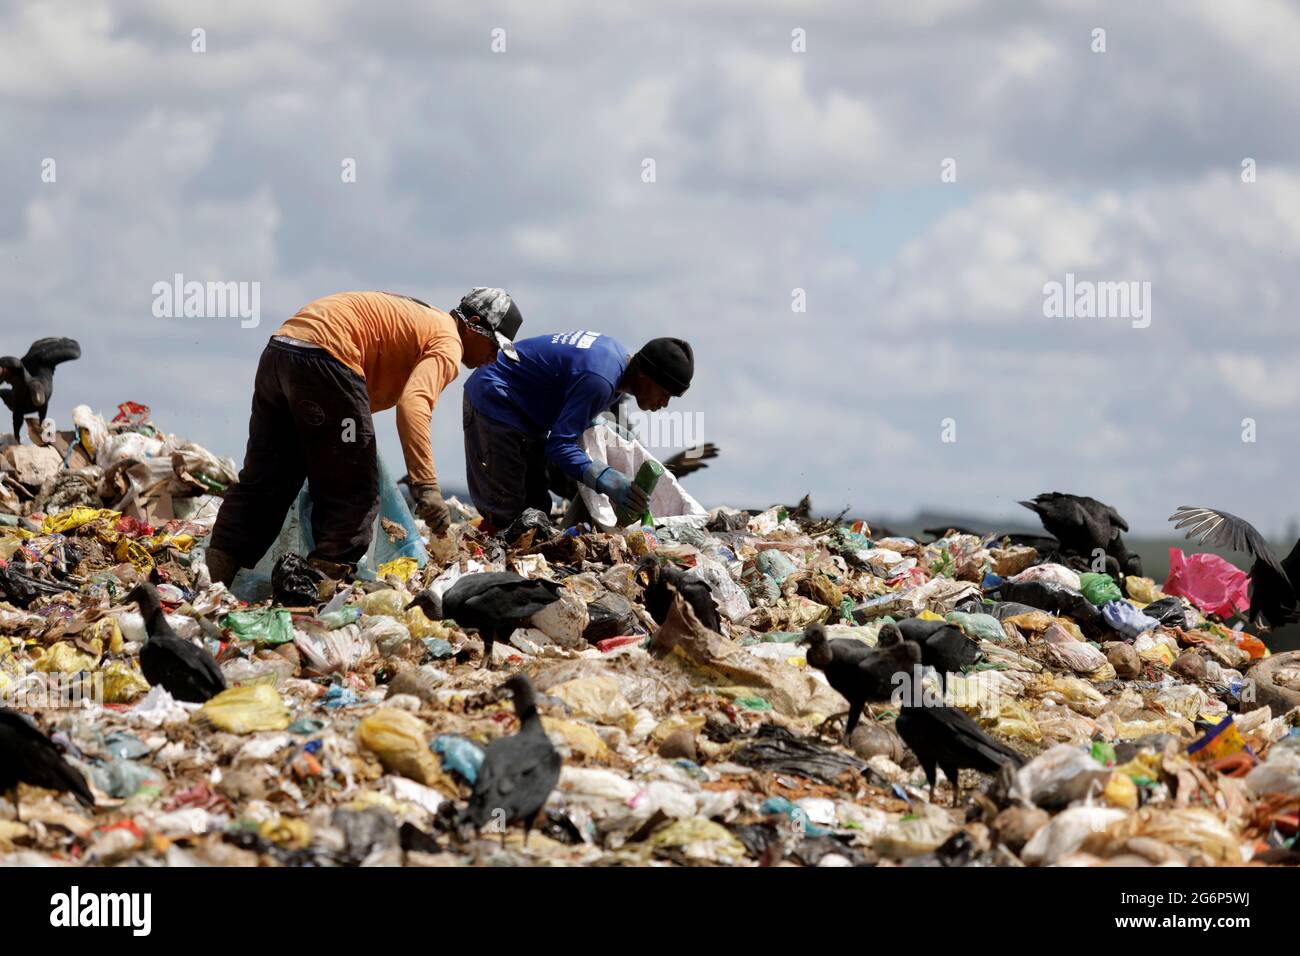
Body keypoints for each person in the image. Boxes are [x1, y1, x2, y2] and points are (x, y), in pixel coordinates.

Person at [205, 288, 523, 585]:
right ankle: (313, 591)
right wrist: (426, 487)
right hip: (327, 357)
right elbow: (413, 406)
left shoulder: (426, 322)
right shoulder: (449, 341)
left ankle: (210, 580)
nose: (493, 358)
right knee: (353, 493)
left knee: (266, 481)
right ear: (474, 324)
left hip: (282, 350)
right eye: (495, 346)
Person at [462, 331, 694, 532]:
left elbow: (568, 393)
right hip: (495, 401)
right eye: (664, 393)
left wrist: (597, 423)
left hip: (525, 414)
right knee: (509, 514)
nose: (664, 403)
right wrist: (606, 478)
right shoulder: (600, 380)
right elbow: (559, 446)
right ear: (646, 376)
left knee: (535, 510)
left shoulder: (614, 361)